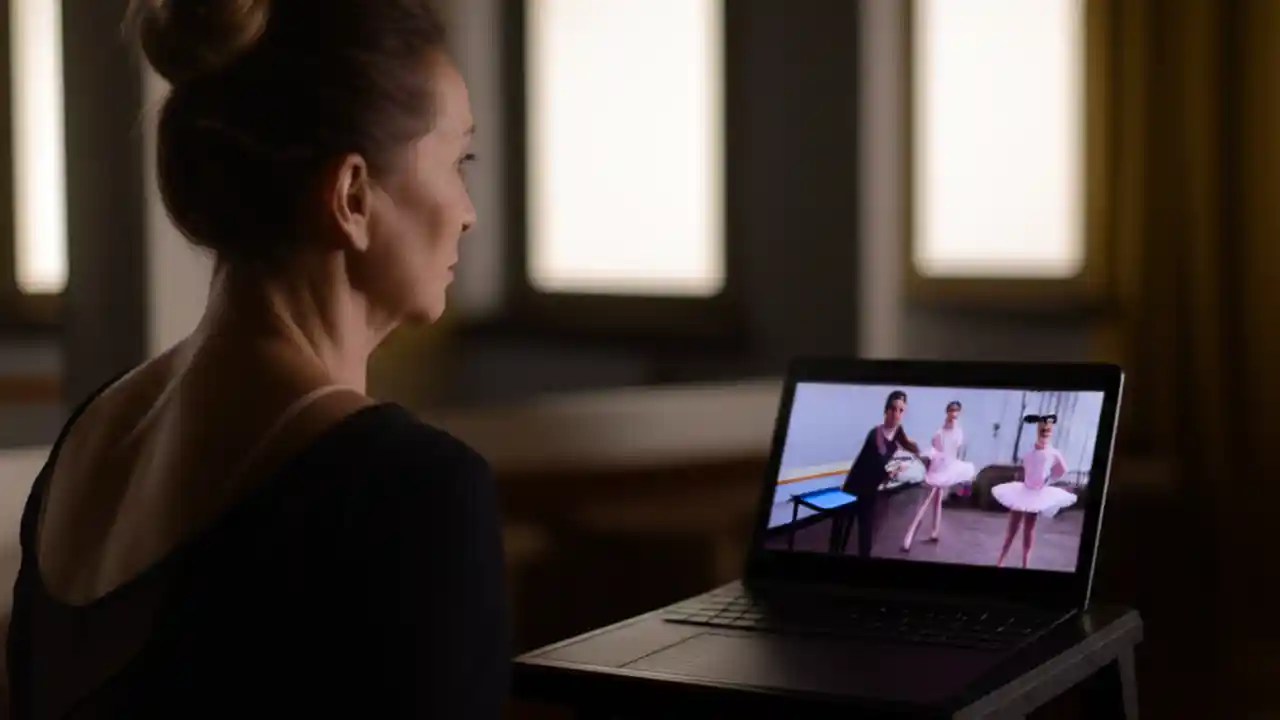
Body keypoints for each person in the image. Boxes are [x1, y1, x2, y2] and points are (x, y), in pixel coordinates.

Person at [4, 1, 508, 717]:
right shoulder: (410, 489)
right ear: (352, 196)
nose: (469, 211)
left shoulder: (92, 430)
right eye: (460, 161)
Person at [840, 391, 924, 557]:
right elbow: (881, 458)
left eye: (901, 411)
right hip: (856, 488)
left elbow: (902, 459)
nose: (896, 414)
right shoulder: (875, 433)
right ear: (886, 411)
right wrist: (893, 469)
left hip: (873, 490)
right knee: (844, 531)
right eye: (893, 409)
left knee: (867, 533)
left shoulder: (898, 437)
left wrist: (901, 466)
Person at [993, 414, 1077, 568]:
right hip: (1022, 491)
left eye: (1047, 431)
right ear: (1038, 431)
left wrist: (1048, 481)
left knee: (1028, 530)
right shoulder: (1029, 452)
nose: (1044, 433)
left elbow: (1062, 470)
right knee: (1012, 528)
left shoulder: (1053, 453)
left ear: (1050, 433)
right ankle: (1001, 560)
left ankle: (1025, 563)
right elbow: (1027, 468)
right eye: (1042, 431)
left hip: (1036, 494)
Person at [901, 400, 977, 551]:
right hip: (938, 469)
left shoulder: (958, 432)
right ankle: (909, 537)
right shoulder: (940, 433)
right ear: (947, 412)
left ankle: (934, 532)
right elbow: (937, 451)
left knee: (937, 501)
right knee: (928, 502)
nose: (954, 414)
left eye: (956, 411)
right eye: (952, 411)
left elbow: (954, 451)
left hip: (949, 467)